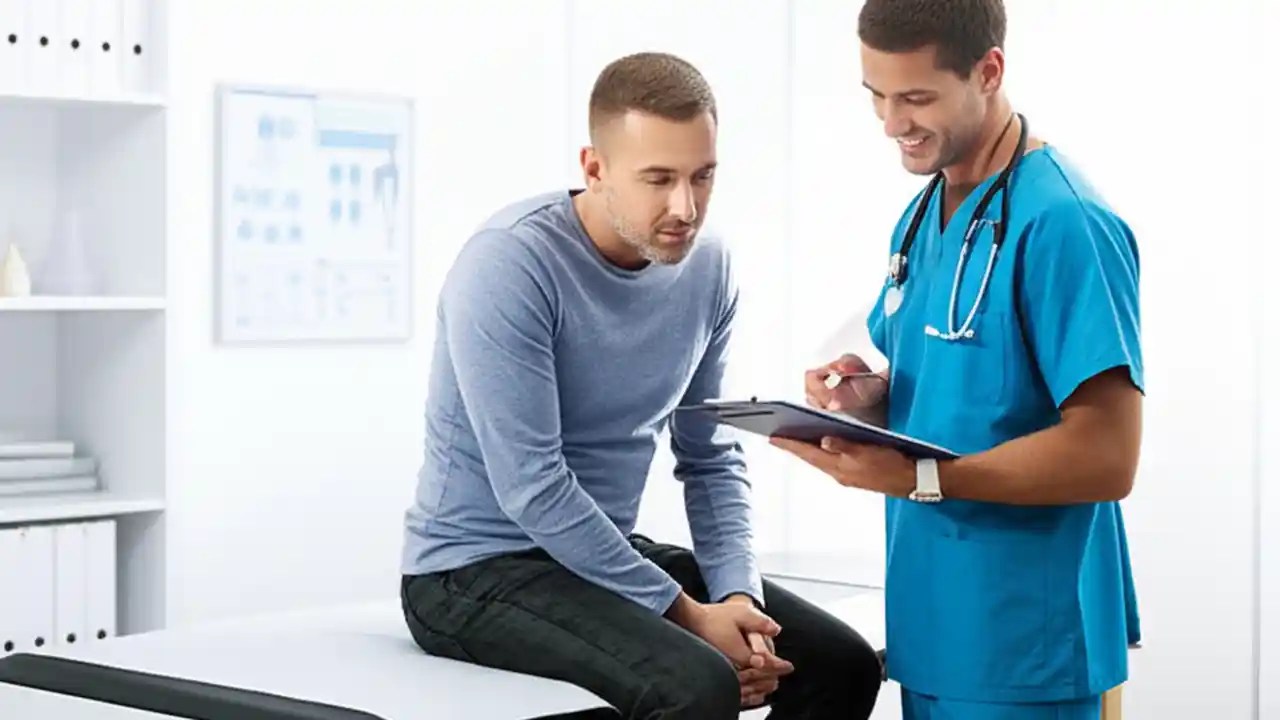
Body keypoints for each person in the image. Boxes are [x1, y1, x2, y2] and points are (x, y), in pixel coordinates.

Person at [399, 51, 883, 720]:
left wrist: (738, 601)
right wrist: (688, 615)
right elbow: (531, 485)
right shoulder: (509, 264)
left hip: (597, 555)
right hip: (473, 570)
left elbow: (710, 457)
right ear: (594, 169)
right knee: (696, 685)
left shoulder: (708, 267)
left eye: (702, 177)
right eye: (658, 179)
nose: (685, 207)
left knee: (842, 666)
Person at [770, 1, 1145, 719]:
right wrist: (868, 398)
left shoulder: (1065, 223)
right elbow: (959, 386)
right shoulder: (923, 215)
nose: (892, 123)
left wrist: (922, 478)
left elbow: (1108, 455)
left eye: (916, 97)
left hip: (1029, 643)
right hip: (936, 628)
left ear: (989, 71)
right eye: (877, 96)